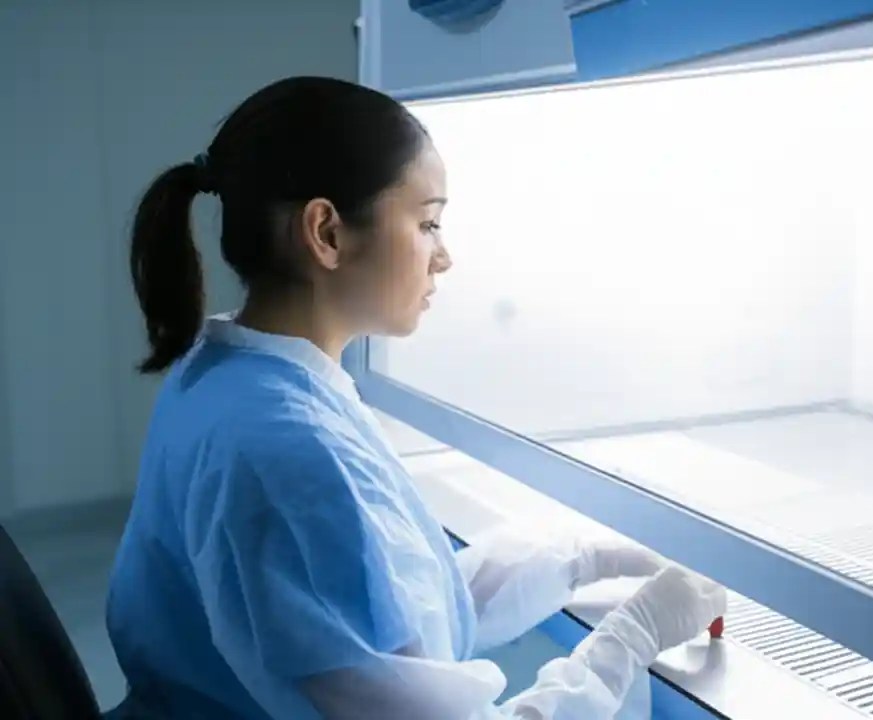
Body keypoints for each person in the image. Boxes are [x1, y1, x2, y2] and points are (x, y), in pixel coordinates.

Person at [106, 76, 725, 719]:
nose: (444, 256)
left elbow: (386, 617)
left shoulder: (231, 374)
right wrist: (632, 640)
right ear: (327, 233)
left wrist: (576, 558)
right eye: (428, 222)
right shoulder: (286, 449)